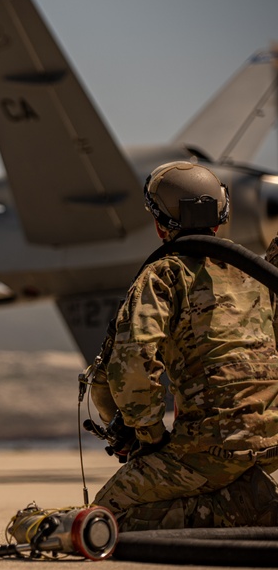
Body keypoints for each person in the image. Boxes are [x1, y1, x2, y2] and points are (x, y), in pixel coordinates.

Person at [88, 161, 278, 531]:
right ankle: (252, 497)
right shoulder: (256, 274)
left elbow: (132, 364)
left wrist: (150, 437)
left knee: (104, 518)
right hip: (272, 446)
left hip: (208, 452)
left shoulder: (163, 274)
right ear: (221, 218)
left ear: (160, 225)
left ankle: (236, 512)